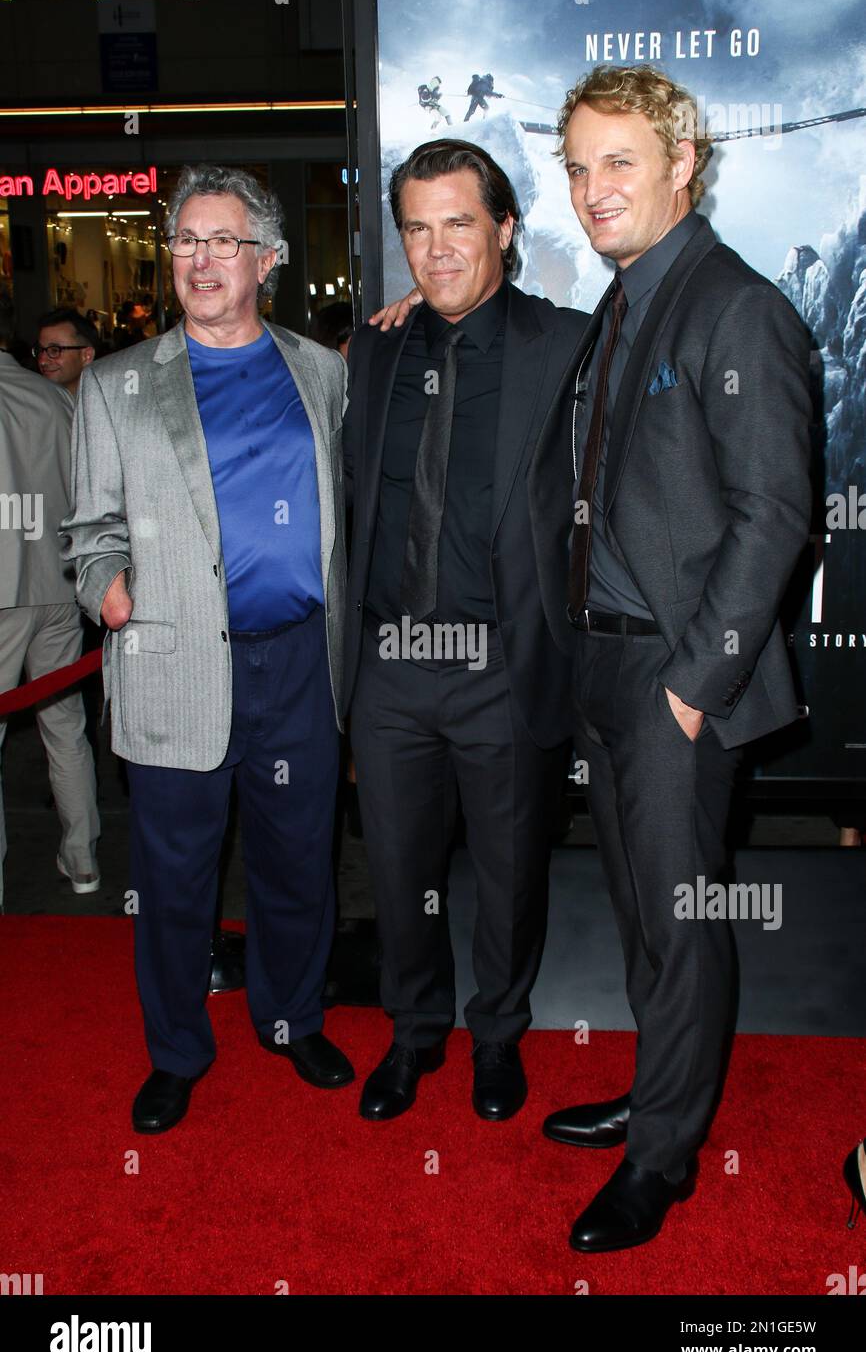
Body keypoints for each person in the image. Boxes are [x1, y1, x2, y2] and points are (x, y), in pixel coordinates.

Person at [541, 64, 812, 1252]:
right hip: (603, 668)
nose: (592, 188)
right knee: (645, 916)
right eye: (576, 166)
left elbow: (773, 515)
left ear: (681, 163)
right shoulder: (624, 297)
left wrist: (692, 690)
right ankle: (657, 1092)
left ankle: (661, 1158)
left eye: (618, 162)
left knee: (682, 919)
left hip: (673, 677)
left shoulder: (731, 304)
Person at [61, 164, 352, 1134]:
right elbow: (89, 529)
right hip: (174, 664)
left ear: (267, 259)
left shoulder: (321, 371)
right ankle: (177, 1051)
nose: (200, 259)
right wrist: (105, 585)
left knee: (297, 863)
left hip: (299, 663)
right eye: (186, 239)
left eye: (224, 240)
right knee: (174, 880)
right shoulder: (115, 384)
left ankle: (290, 1018)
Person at [342, 140, 587, 1122]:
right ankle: (412, 1033)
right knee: (398, 870)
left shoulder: (567, 344)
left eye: (458, 223)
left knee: (509, 873)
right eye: (416, 227)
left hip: (504, 664)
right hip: (390, 665)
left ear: (504, 229)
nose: (436, 247)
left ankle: (497, 1034)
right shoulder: (375, 350)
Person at [0, 305, 100, 909]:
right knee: (65, 729)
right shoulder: (54, 400)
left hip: (3, 595)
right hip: (58, 583)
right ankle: (84, 858)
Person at [33, 308, 98, 404]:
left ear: (86, 356)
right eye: (40, 350)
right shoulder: (34, 402)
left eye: (55, 350)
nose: (42, 361)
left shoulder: (105, 404)